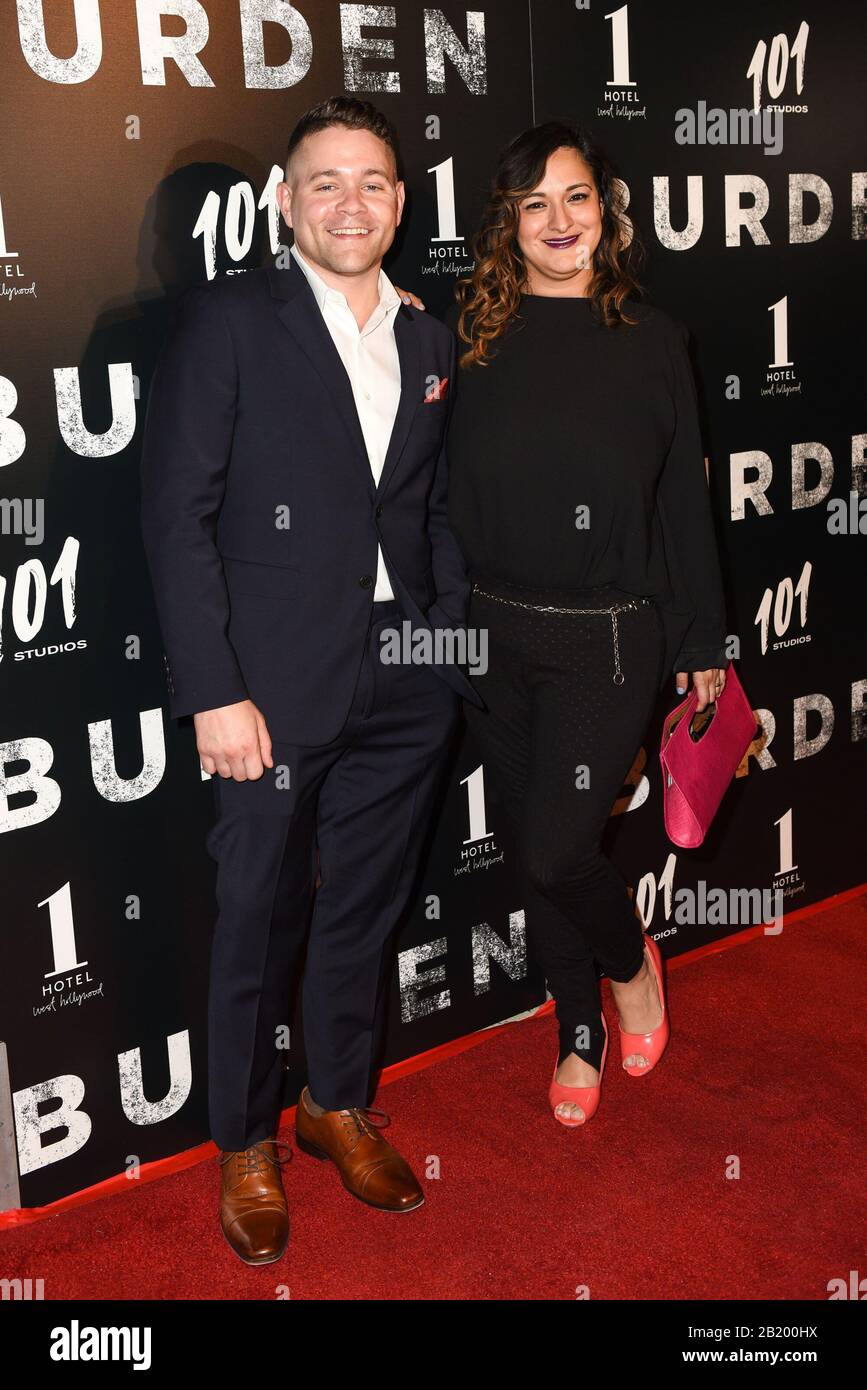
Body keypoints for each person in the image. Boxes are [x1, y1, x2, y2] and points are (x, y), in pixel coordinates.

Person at [140, 96, 482, 1263]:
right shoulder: (228, 321)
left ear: (399, 199)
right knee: (254, 918)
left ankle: (334, 1102)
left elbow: (426, 508)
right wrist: (213, 691)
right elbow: (176, 514)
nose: (352, 202)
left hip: (407, 683)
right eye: (326, 181)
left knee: (367, 910)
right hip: (268, 694)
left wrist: (442, 643)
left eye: (375, 181)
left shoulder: (428, 339)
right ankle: (242, 1138)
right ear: (285, 201)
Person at [441, 122, 730, 1125]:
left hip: (607, 640)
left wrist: (703, 644)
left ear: (604, 211)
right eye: (536, 203)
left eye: (577, 197)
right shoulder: (469, 338)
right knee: (535, 845)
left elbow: (684, 509)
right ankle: (575, 1026)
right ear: (507, 224)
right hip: (489, 634)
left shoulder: (654, 343)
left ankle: (632, 965)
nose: (559, 221)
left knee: (558, 853)